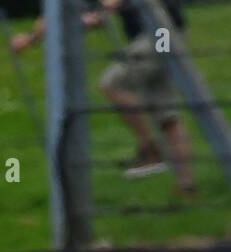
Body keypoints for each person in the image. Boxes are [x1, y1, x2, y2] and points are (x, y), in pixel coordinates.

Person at [11, 0, 195, 196]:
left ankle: (151, 148)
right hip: (164, 33)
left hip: (160, 34)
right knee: (165, 113)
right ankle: (186, 186)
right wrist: (32, 38)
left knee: (113, 84)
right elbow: (71, 15)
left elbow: (106, 6)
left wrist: (93, 16)